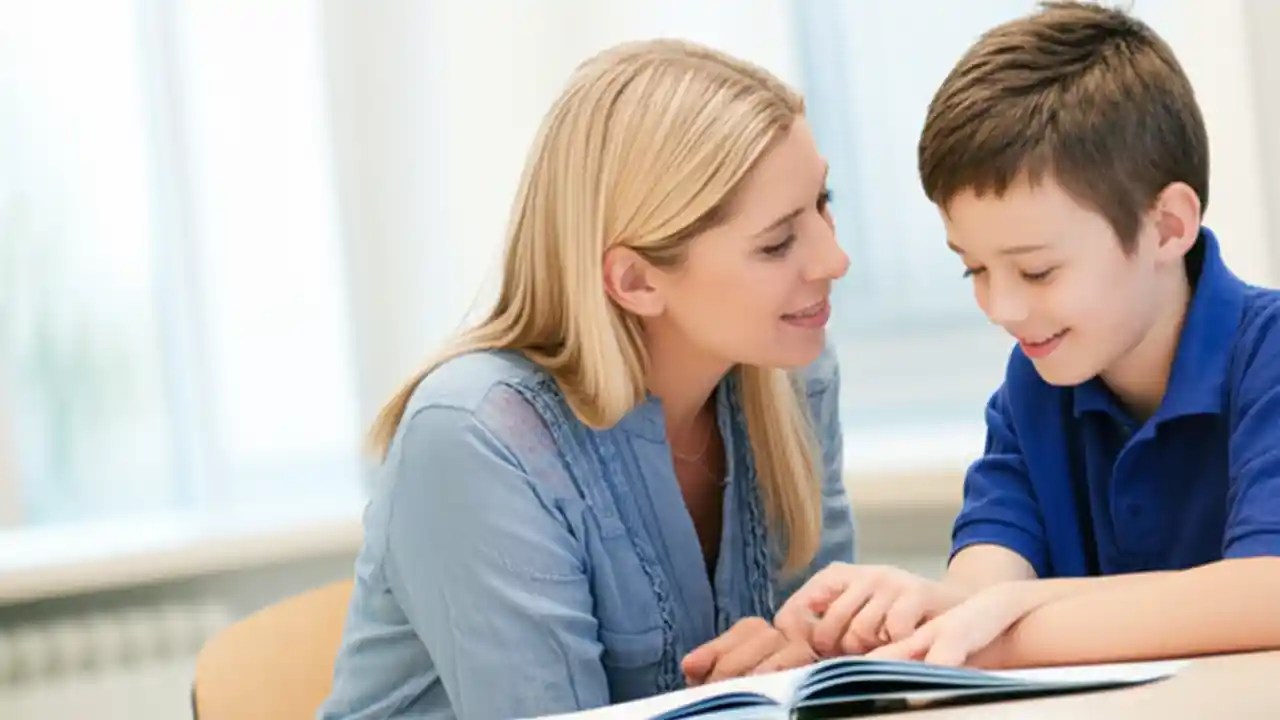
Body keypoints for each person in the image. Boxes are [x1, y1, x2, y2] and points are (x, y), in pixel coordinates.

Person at [320, 38, 855, 719]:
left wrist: (802, 662)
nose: (833, 258)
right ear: (634, 280)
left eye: (823, 201)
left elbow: (834, 662)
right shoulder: (475, 440)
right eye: (777, 242)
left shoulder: (795, 378)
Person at [775, 1, 1280, 669]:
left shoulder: (1266, 355)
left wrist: (992, 629)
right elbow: (980, 590)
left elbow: (1265, 592)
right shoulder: (1034, 388)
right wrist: (909, 611)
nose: (1002, 307)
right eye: (974, 270)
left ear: (1166, 227)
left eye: (1037, 270)